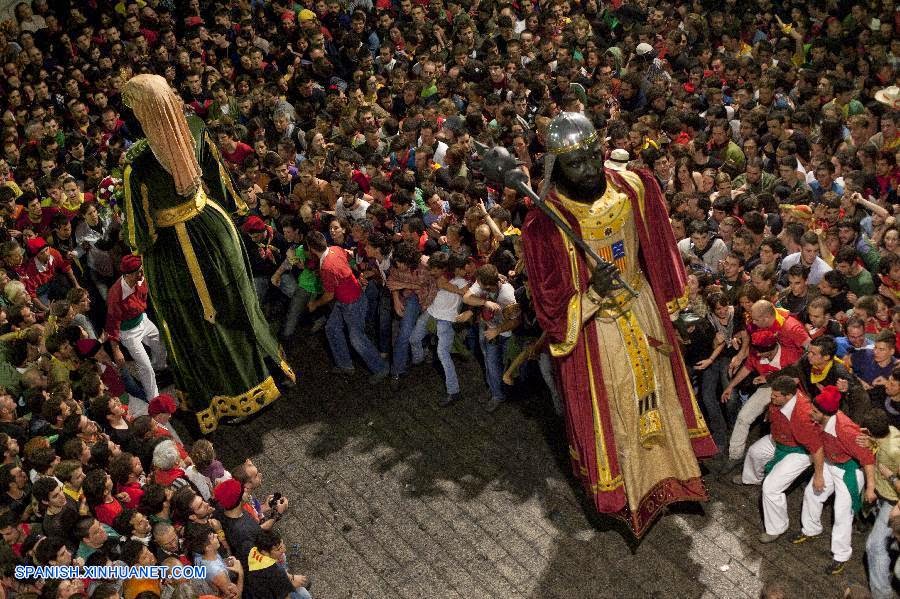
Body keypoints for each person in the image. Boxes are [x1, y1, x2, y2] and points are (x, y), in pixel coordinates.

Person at [521, 112, 716, 536]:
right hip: (598, 330)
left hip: (643, 309)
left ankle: (673, 477)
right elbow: (549, 302)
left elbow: (661, 249)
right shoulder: (543, 222)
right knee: (619, 410)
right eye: (575, 163)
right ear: (556, 166)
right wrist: (593, 292)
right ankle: (628, 493)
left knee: (660, 394)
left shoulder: (635, 186)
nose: (589, 169)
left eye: (593, 156)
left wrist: (679, 306)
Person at [120, 74, 294, 434]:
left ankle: (217, 397)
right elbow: (221, 184)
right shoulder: (196, 129)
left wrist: (142, 254)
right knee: (238, 304)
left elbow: (141, 234)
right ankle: (264, 375)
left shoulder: (137, 165)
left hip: (173, 251)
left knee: (194, 327)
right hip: (215, 230)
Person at [794, 385, 876, 575]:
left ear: (825, 414)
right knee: (812, 493)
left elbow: (867, 459)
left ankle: (841, 555)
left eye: (814, 411)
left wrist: (870, 487)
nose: (810, 413)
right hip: (830, 462)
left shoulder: (845, 430)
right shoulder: (821, 420)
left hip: (848, 471)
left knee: (842, 513)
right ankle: (811, 529)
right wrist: (819, 474)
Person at [736, 376, 823, 543]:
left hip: (799, 451)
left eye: (776, 396)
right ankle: (752, 478)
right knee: (755, 452)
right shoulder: (780, 400)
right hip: (779, 440)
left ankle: (777, 528)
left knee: (771, 488)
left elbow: (817, 448)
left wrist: (819, 475)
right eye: (772, 394)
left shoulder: (803, 415)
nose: (772, 398)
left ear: (788, 396)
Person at [305, 231, 388, 383]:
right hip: (348, 298)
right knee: (332, 328)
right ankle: (345, 364)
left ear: (311, 248)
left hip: (351, 303)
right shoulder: (335, 249)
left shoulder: (326, 267)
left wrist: (314, 304)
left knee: (356, 339)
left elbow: (329, 296)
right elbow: (348, 258)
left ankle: (381, 368)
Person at [105, 254, 167, 402]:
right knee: (145, 366)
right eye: (138, 272)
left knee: (159, 344)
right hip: (128, 333)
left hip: (142, 320)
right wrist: (116, 350)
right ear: (128, 275)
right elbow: (112, 324)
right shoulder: (116, 294)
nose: (142, 274)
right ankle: (154, 400)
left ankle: (159, 369)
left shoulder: (140, 279)